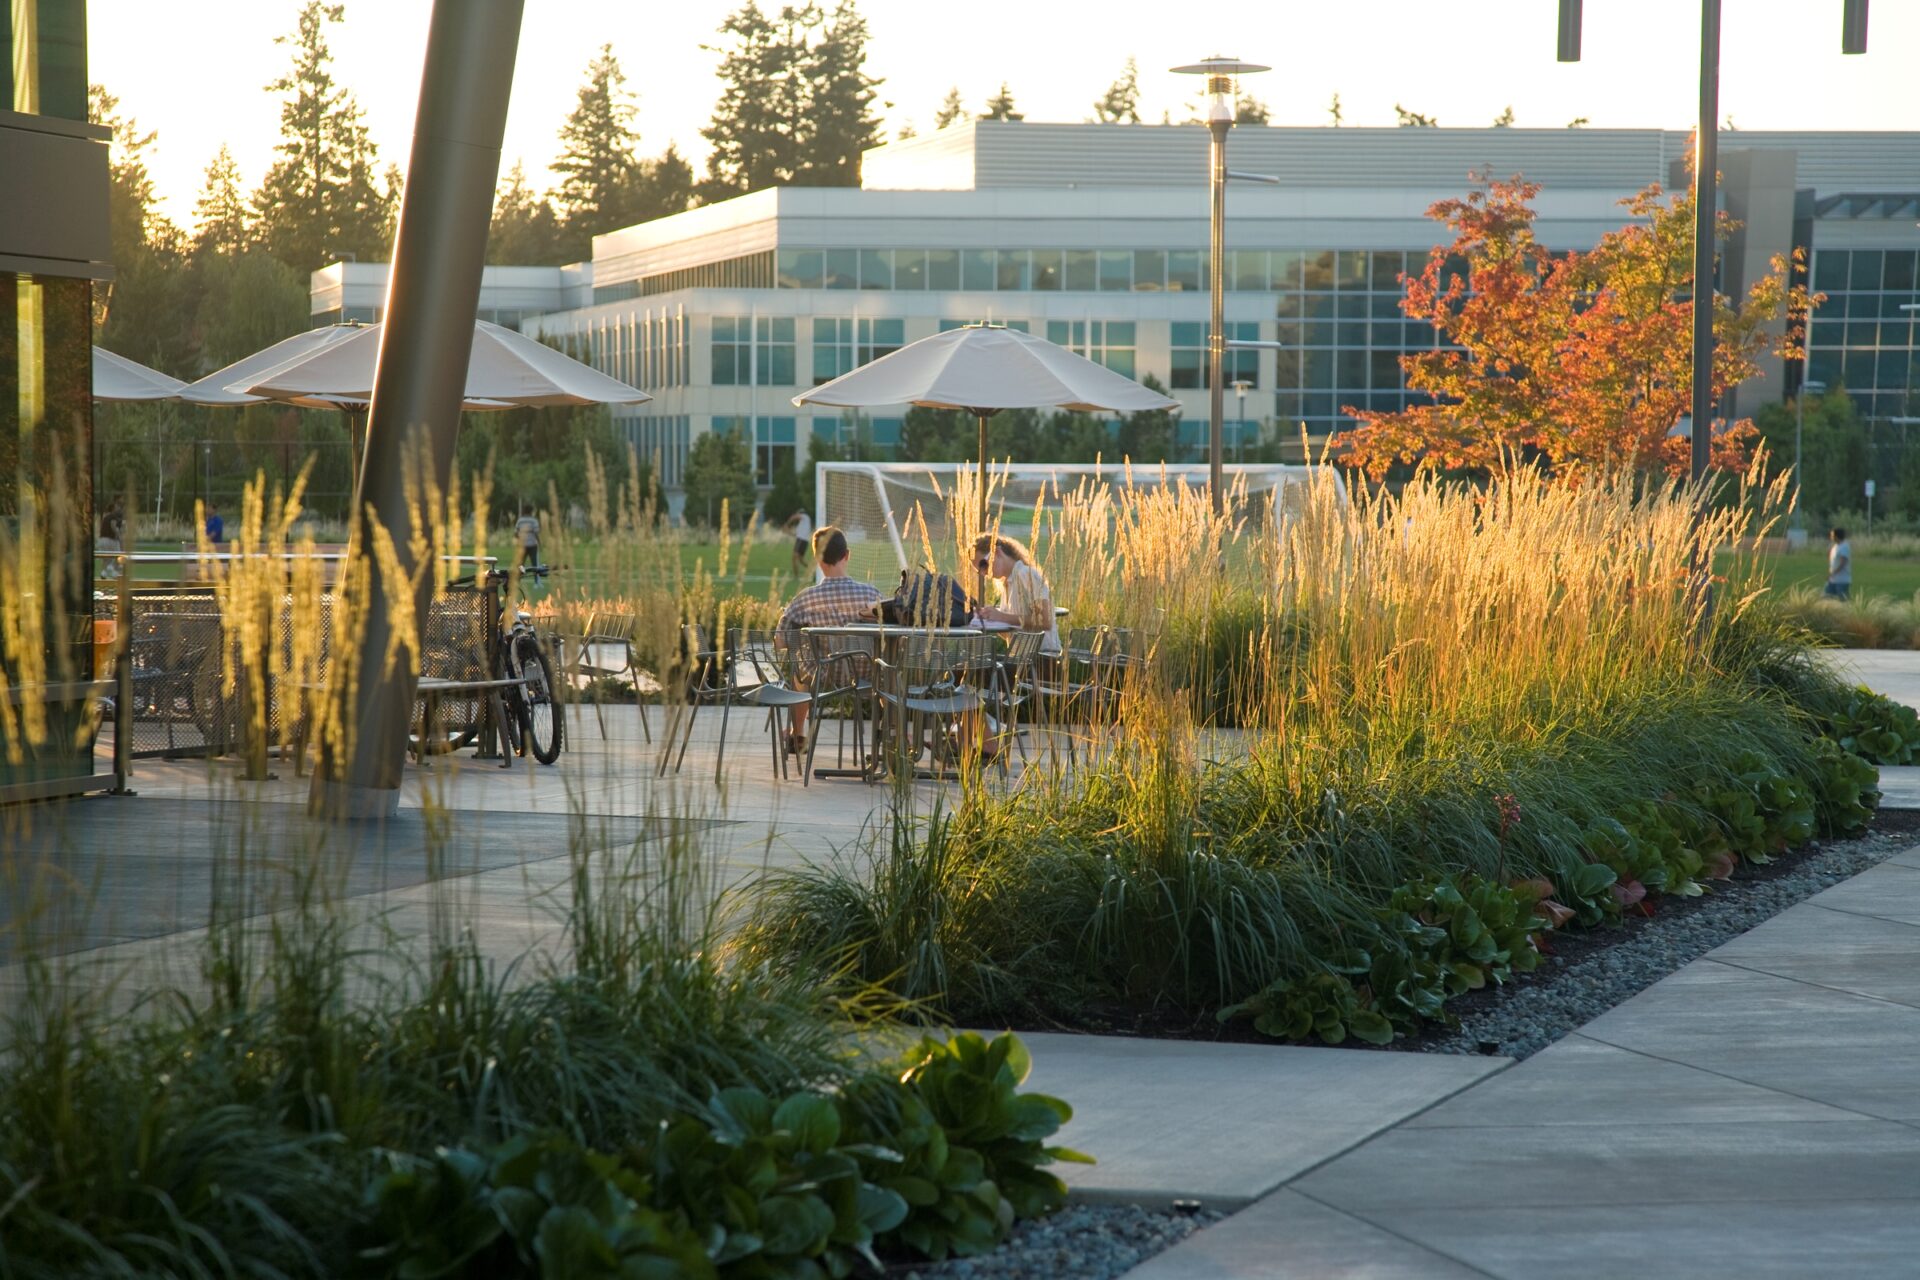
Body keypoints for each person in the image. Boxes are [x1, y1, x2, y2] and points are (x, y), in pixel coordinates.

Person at [776, 525, 880, 753]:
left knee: (800, 669)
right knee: (889, 669)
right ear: (847, 555)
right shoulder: (872, 595)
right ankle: (894, 732)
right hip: (869, 676)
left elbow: (780, 642)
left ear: (816, 558)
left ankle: (798, 734)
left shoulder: (806, 599)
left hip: (825, 677)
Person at [972, 533, 1061, 656]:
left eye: (983, 565)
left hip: (1042, 658)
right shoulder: (1007, 584)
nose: (983, 573)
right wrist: (989, 618)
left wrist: (1001, 617)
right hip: (1020, 659)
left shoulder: (1026, 574)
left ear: (997, 552)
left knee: (978, 669)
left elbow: (1045, 621)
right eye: (978, 571)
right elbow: (1010, 632)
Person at [784, 507, 815, 575]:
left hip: (801, 540)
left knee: (794, 558)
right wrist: (788, 531)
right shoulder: (803, 524)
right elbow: (795, 535)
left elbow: (793, 517)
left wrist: (787, 524)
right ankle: (814, 572)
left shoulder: (805, 517)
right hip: (803, 541)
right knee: (801, 560)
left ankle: (796, 576)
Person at [1826, 526, 1852, 601]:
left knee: (1842, 600)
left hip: (1842, 580)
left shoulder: (1844, 547)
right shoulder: (1836, 546)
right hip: (1833, 579)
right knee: (1827, 597)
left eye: (1832, 535)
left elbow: (1842, 563)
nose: (1831, 537)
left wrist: (1832, 573)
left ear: (1837, 536)